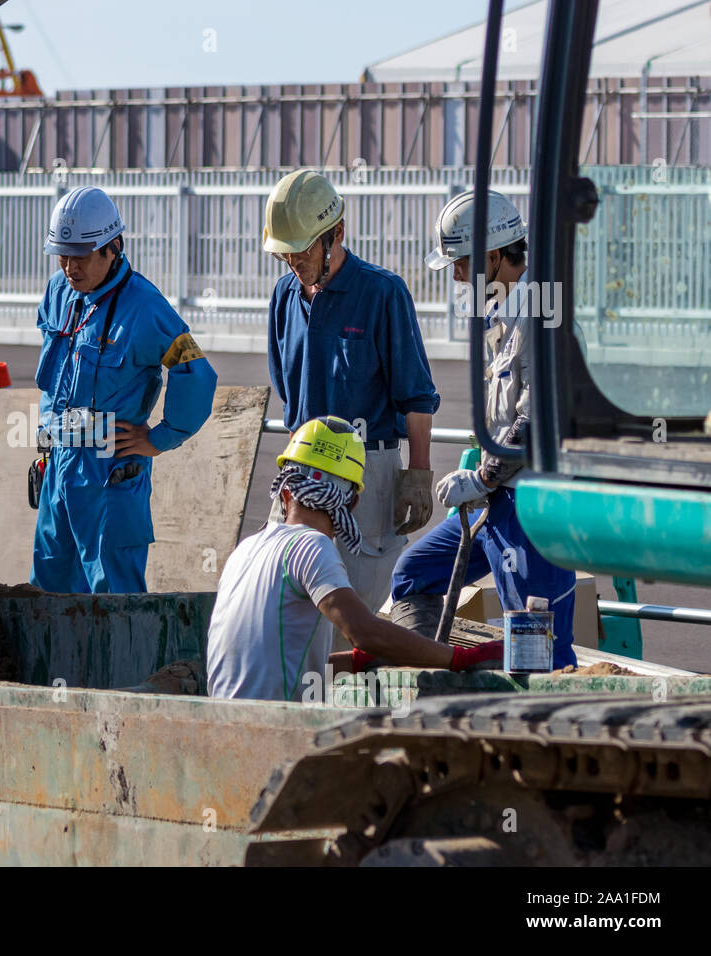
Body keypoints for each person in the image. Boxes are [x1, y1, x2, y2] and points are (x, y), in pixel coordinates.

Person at [389, 189, 577, 669]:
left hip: (534, 504)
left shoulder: (542, 317)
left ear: (493, 257)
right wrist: (483, 473)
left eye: (459, 262)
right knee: (415, 573)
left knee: (537, 638)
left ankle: (543, 731)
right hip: (499, 497)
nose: (454, 274)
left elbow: (537, 420)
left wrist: (484, 477)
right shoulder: (499, 311)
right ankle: (430, 684)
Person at [206, 416, 502, 702]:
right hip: (274, 727)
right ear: (353, 502)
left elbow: (278, 670)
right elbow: (364, 632)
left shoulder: (245, 549)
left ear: (285, 492)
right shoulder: (310, 545)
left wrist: (358, 661)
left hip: (221, 717)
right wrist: (464, 658)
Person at [262, 168, 441, 631]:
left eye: (301, 253)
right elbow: (286, 385)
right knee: (290, 610)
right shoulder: (284, 297)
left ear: (336, 233)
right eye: (285, 255)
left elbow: (416, 397)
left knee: (354, 616)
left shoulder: (382, 293)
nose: (293, 265)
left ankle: (349, 702)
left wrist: (417, 473)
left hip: (366, 475)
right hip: (300, 473)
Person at [30, 186, 218, 593]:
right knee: (47, 590)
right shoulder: (58, 293)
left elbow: (198, 374)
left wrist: (160, 438)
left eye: (79, 256)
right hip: (60, 465)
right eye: (62, 254)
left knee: (113, 598)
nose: (69, 267)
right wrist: (49, 436)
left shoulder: (146, 307)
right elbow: (54, 373)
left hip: (110, 472)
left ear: (111, 247)